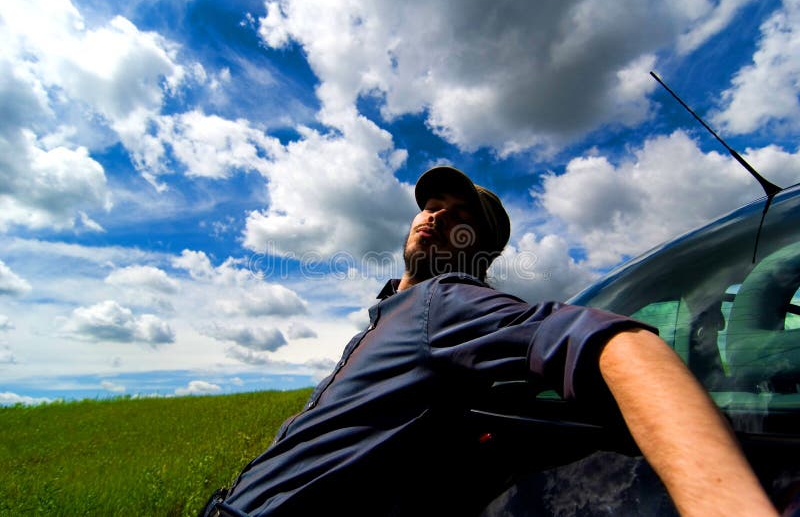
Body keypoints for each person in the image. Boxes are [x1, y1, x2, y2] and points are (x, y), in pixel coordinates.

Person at [202, 166, 776, 516]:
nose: (433, 216)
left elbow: (619, 343)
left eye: (456, 216)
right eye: (430, 206)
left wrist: (724, 501)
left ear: (478, 251)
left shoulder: (446, 300)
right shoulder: (386, 317)